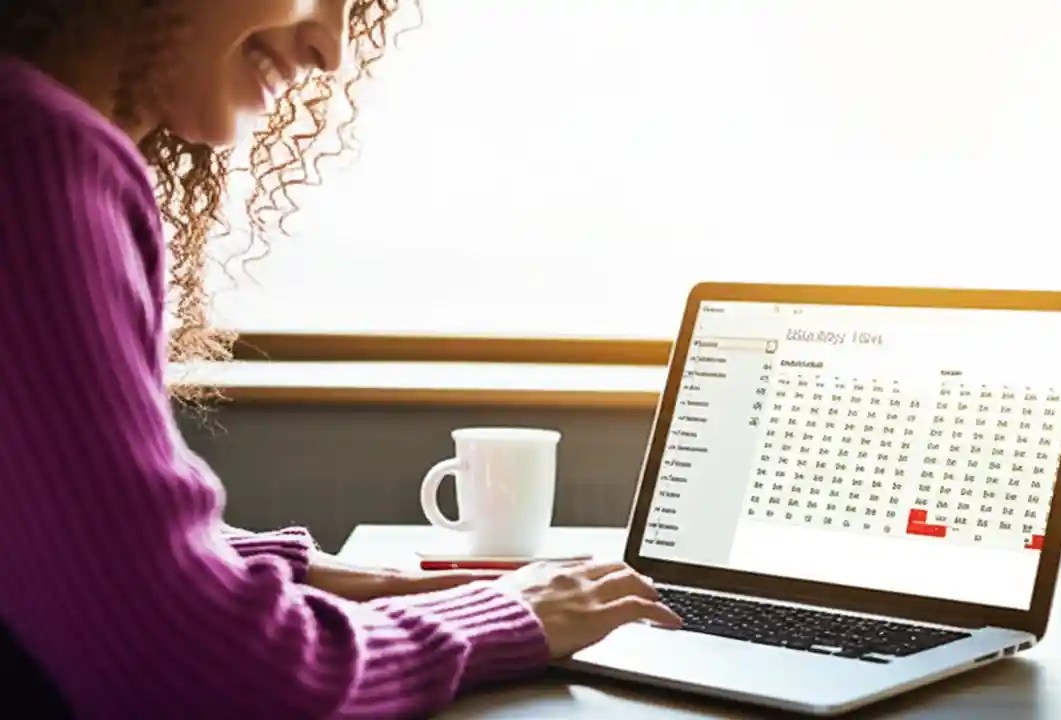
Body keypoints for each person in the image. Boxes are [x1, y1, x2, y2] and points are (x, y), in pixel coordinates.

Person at [0, 1, 681, 717]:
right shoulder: (35, 156)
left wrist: (347, 577)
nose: (331, 49)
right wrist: (509, 616)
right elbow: (198, 663)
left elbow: (58, 535)